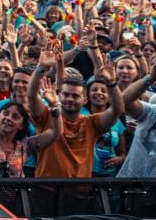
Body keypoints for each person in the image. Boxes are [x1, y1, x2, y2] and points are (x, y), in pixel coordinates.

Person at [28, 47, 124, 178]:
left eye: (75, 96)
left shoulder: (91, 123)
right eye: (66, 94)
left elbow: (117, 110)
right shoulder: (47, 116)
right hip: (46, 185)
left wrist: (111, 83)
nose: (69, 99)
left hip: (79, 187)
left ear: (85, 100)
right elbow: (31, 96)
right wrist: (41, 68)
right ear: (59, 96)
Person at [0, 71, 59, 178]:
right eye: (5, 113)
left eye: (15, 117)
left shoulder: (25, 145)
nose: (8, 118)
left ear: (22, 125)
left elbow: (55, 132)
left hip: (16, 189)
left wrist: (54, 105)